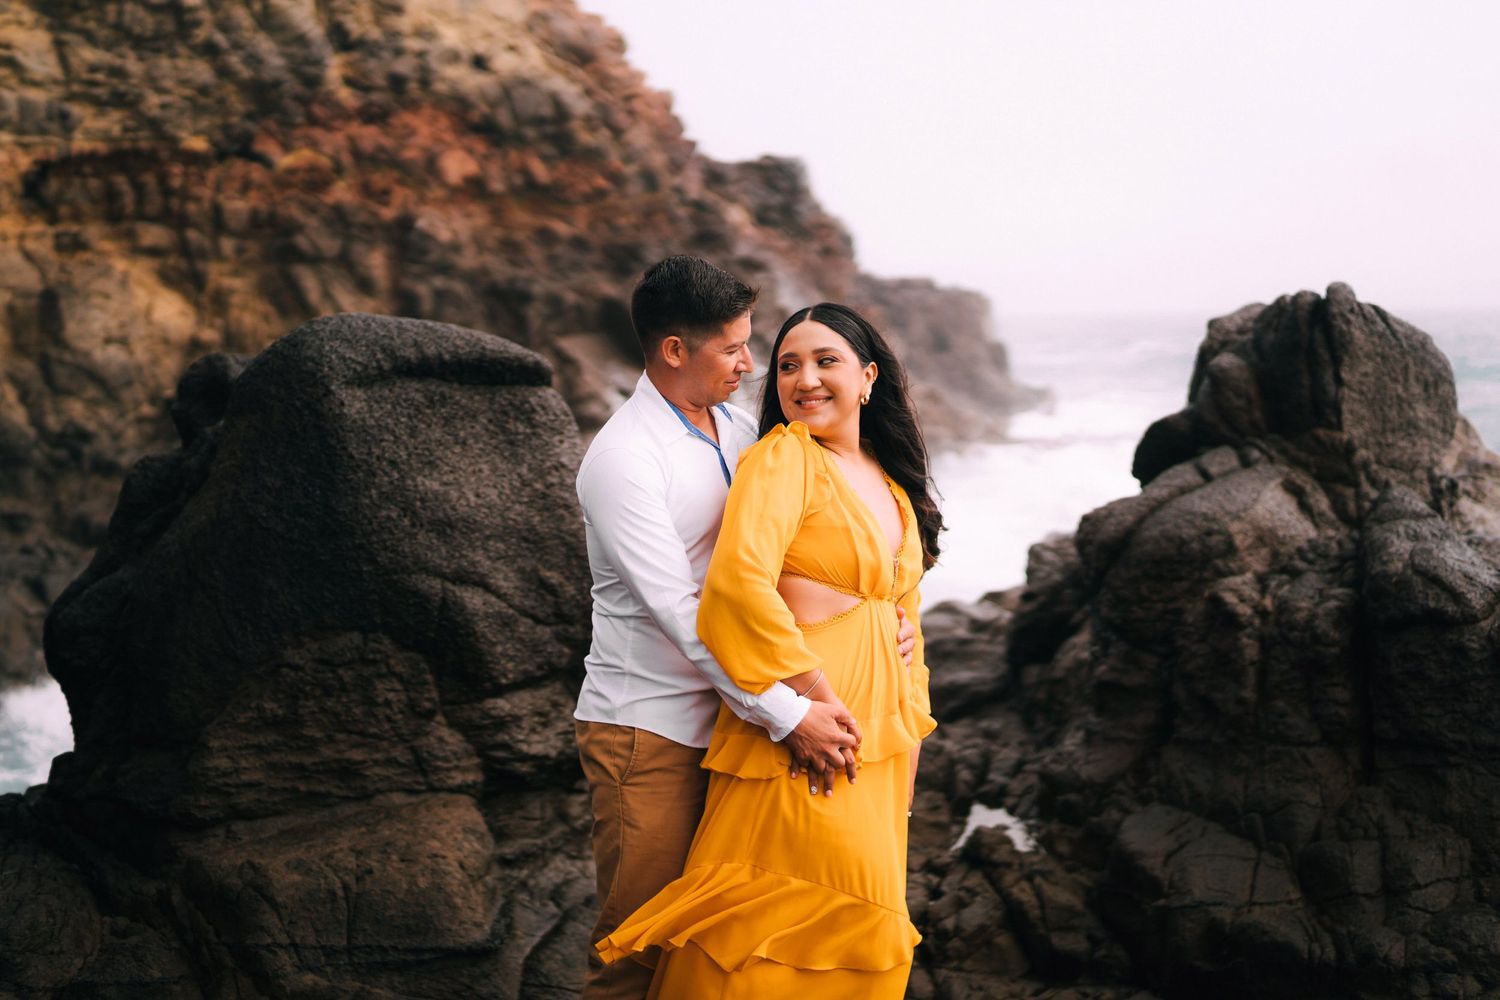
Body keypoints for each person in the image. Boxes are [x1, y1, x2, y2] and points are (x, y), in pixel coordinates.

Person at [574, 260, 916, 1000]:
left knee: (725, 939)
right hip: (656, 728)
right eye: (732, 348)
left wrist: (883, 617)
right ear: (673, 350)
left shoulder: (741, 430)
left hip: (741, 728)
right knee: (641, 946)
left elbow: (807, 545)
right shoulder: (623, 461)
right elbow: (690, 613)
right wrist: (793, 710)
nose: (750, 364)